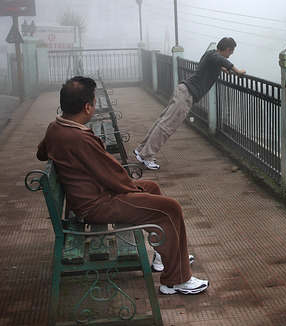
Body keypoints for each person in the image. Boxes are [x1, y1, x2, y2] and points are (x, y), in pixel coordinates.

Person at [36, 76, 209, 295]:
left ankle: (163, 256)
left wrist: (136, 190)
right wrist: (132, 190)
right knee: (170, 207)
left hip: (88, 198)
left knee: (152, 190)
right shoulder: (79, 138)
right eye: (95, 103)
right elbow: (112, 174)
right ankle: (176, 280)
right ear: (87, 107)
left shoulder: (56, 127)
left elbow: (42, 152)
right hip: (96, 204)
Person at [134, 37, 246, 170]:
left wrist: (222, 68)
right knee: (167, 126)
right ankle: (146, 155)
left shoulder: (210, 54)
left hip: (183, 90)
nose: (230, 55)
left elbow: (215, 63)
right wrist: (237, 71)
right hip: (186, 95)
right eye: (231, 52)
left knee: (162, 121)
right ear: (227, 49)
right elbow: (220, 59)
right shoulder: (215, 55)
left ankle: (141, 149)